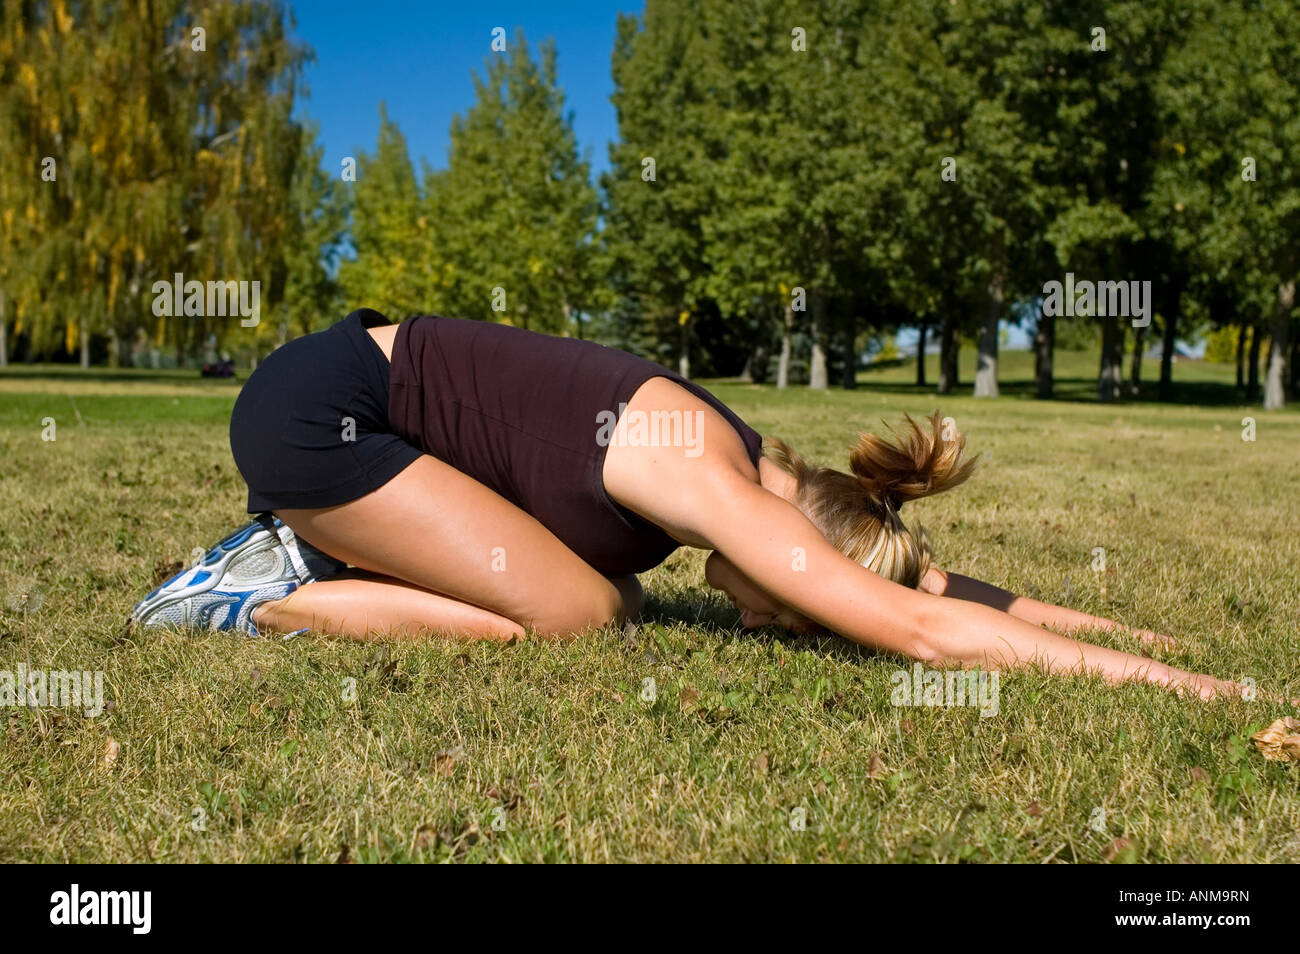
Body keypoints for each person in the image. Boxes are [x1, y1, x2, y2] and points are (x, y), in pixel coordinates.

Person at [130, 308, 1250, 701]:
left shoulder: (769, 478)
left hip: (367, 421)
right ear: (794, 543)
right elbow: (916, 628)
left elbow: (943, 588)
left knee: (598, 591)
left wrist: (1149, 642)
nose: (772, 622)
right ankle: (246, 594)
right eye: (801, 606)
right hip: (321, 417)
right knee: (583, 612)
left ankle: (316, 557)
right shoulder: (703, 475)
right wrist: (1193, 694)